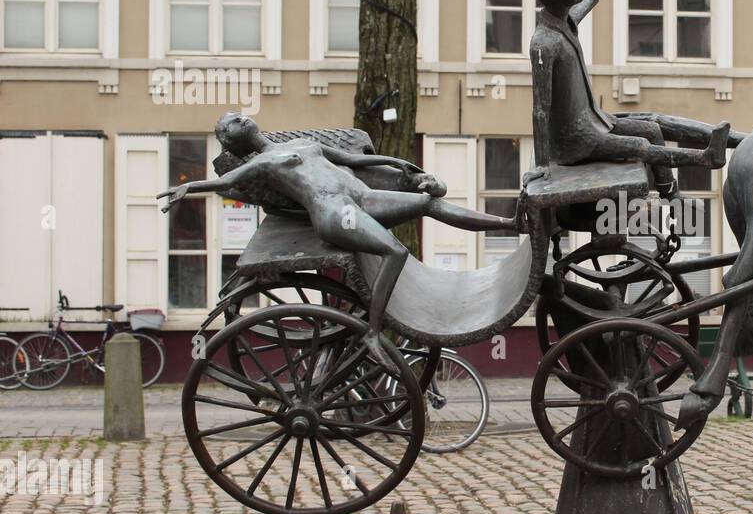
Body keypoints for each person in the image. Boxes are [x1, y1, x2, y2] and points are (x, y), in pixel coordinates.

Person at [158, 113, 518, 370]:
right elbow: (224, 183)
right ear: (233, 141)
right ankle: (373, 334)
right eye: (231, 123)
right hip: (334, 213)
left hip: (362, 197)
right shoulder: (262, 163)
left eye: (238, 116)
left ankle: (510, 223)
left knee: (429, 203)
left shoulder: (303, 144)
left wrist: (404, 165)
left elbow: (350, 158)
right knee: (394, 251)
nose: (240, 119)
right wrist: (188, 186)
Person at [528, 0, 730, 200]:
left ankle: (669, 193)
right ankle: (705, 158)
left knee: (651, 128)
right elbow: (540, 108)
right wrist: (542, 164)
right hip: (575, 142)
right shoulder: (544, 42)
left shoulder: (566, 23)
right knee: (639, 145)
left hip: (592, 122)